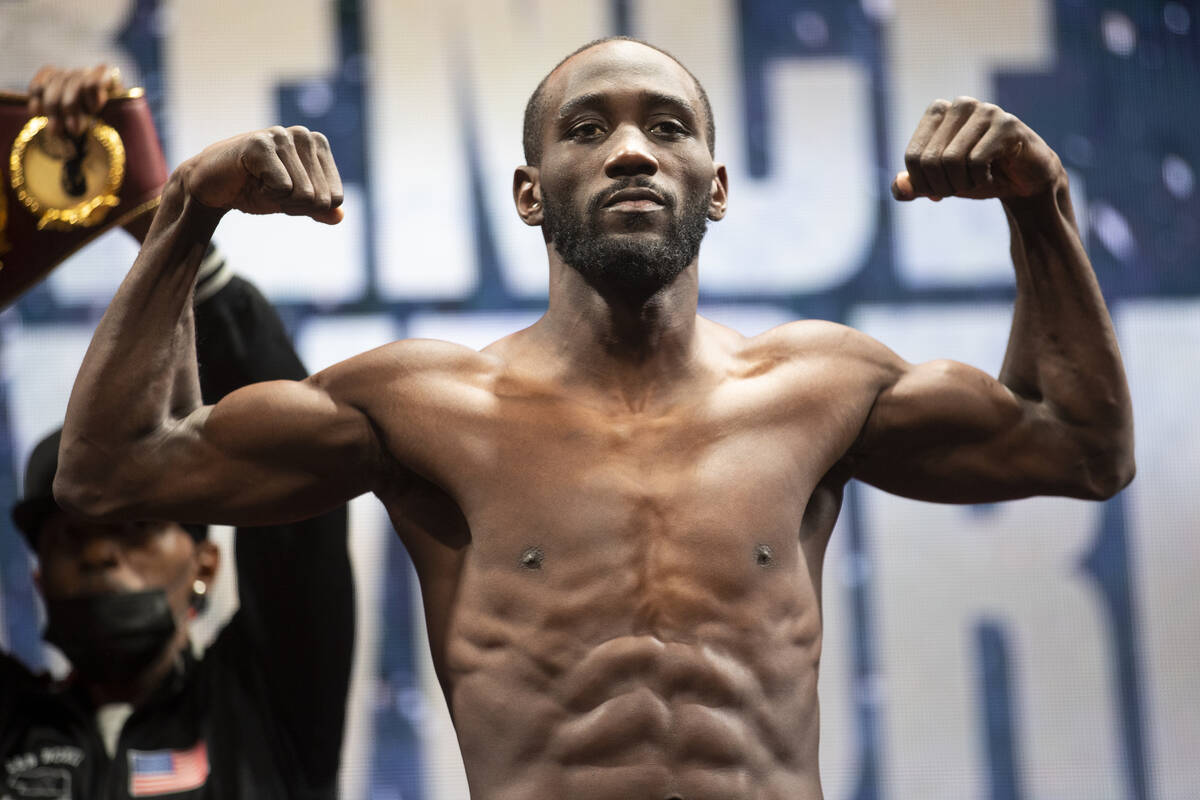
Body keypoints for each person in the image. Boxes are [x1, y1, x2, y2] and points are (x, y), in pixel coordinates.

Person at [54, 37, 1134, 800]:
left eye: (668, 128)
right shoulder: (426, 406)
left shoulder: (820, 389)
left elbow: (1082, 448)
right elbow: (113, 475)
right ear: (531, 193)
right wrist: (187, 209)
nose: (631, 151)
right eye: (589, 129)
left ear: (715, 186)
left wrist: (1038, 204)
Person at [2, 66, 354, 800]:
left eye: (136, 528)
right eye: (70, 535)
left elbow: (291, 454)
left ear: (205, 564)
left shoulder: (267, 701)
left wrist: (156, 207)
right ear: (36, 579)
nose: (99, 550)